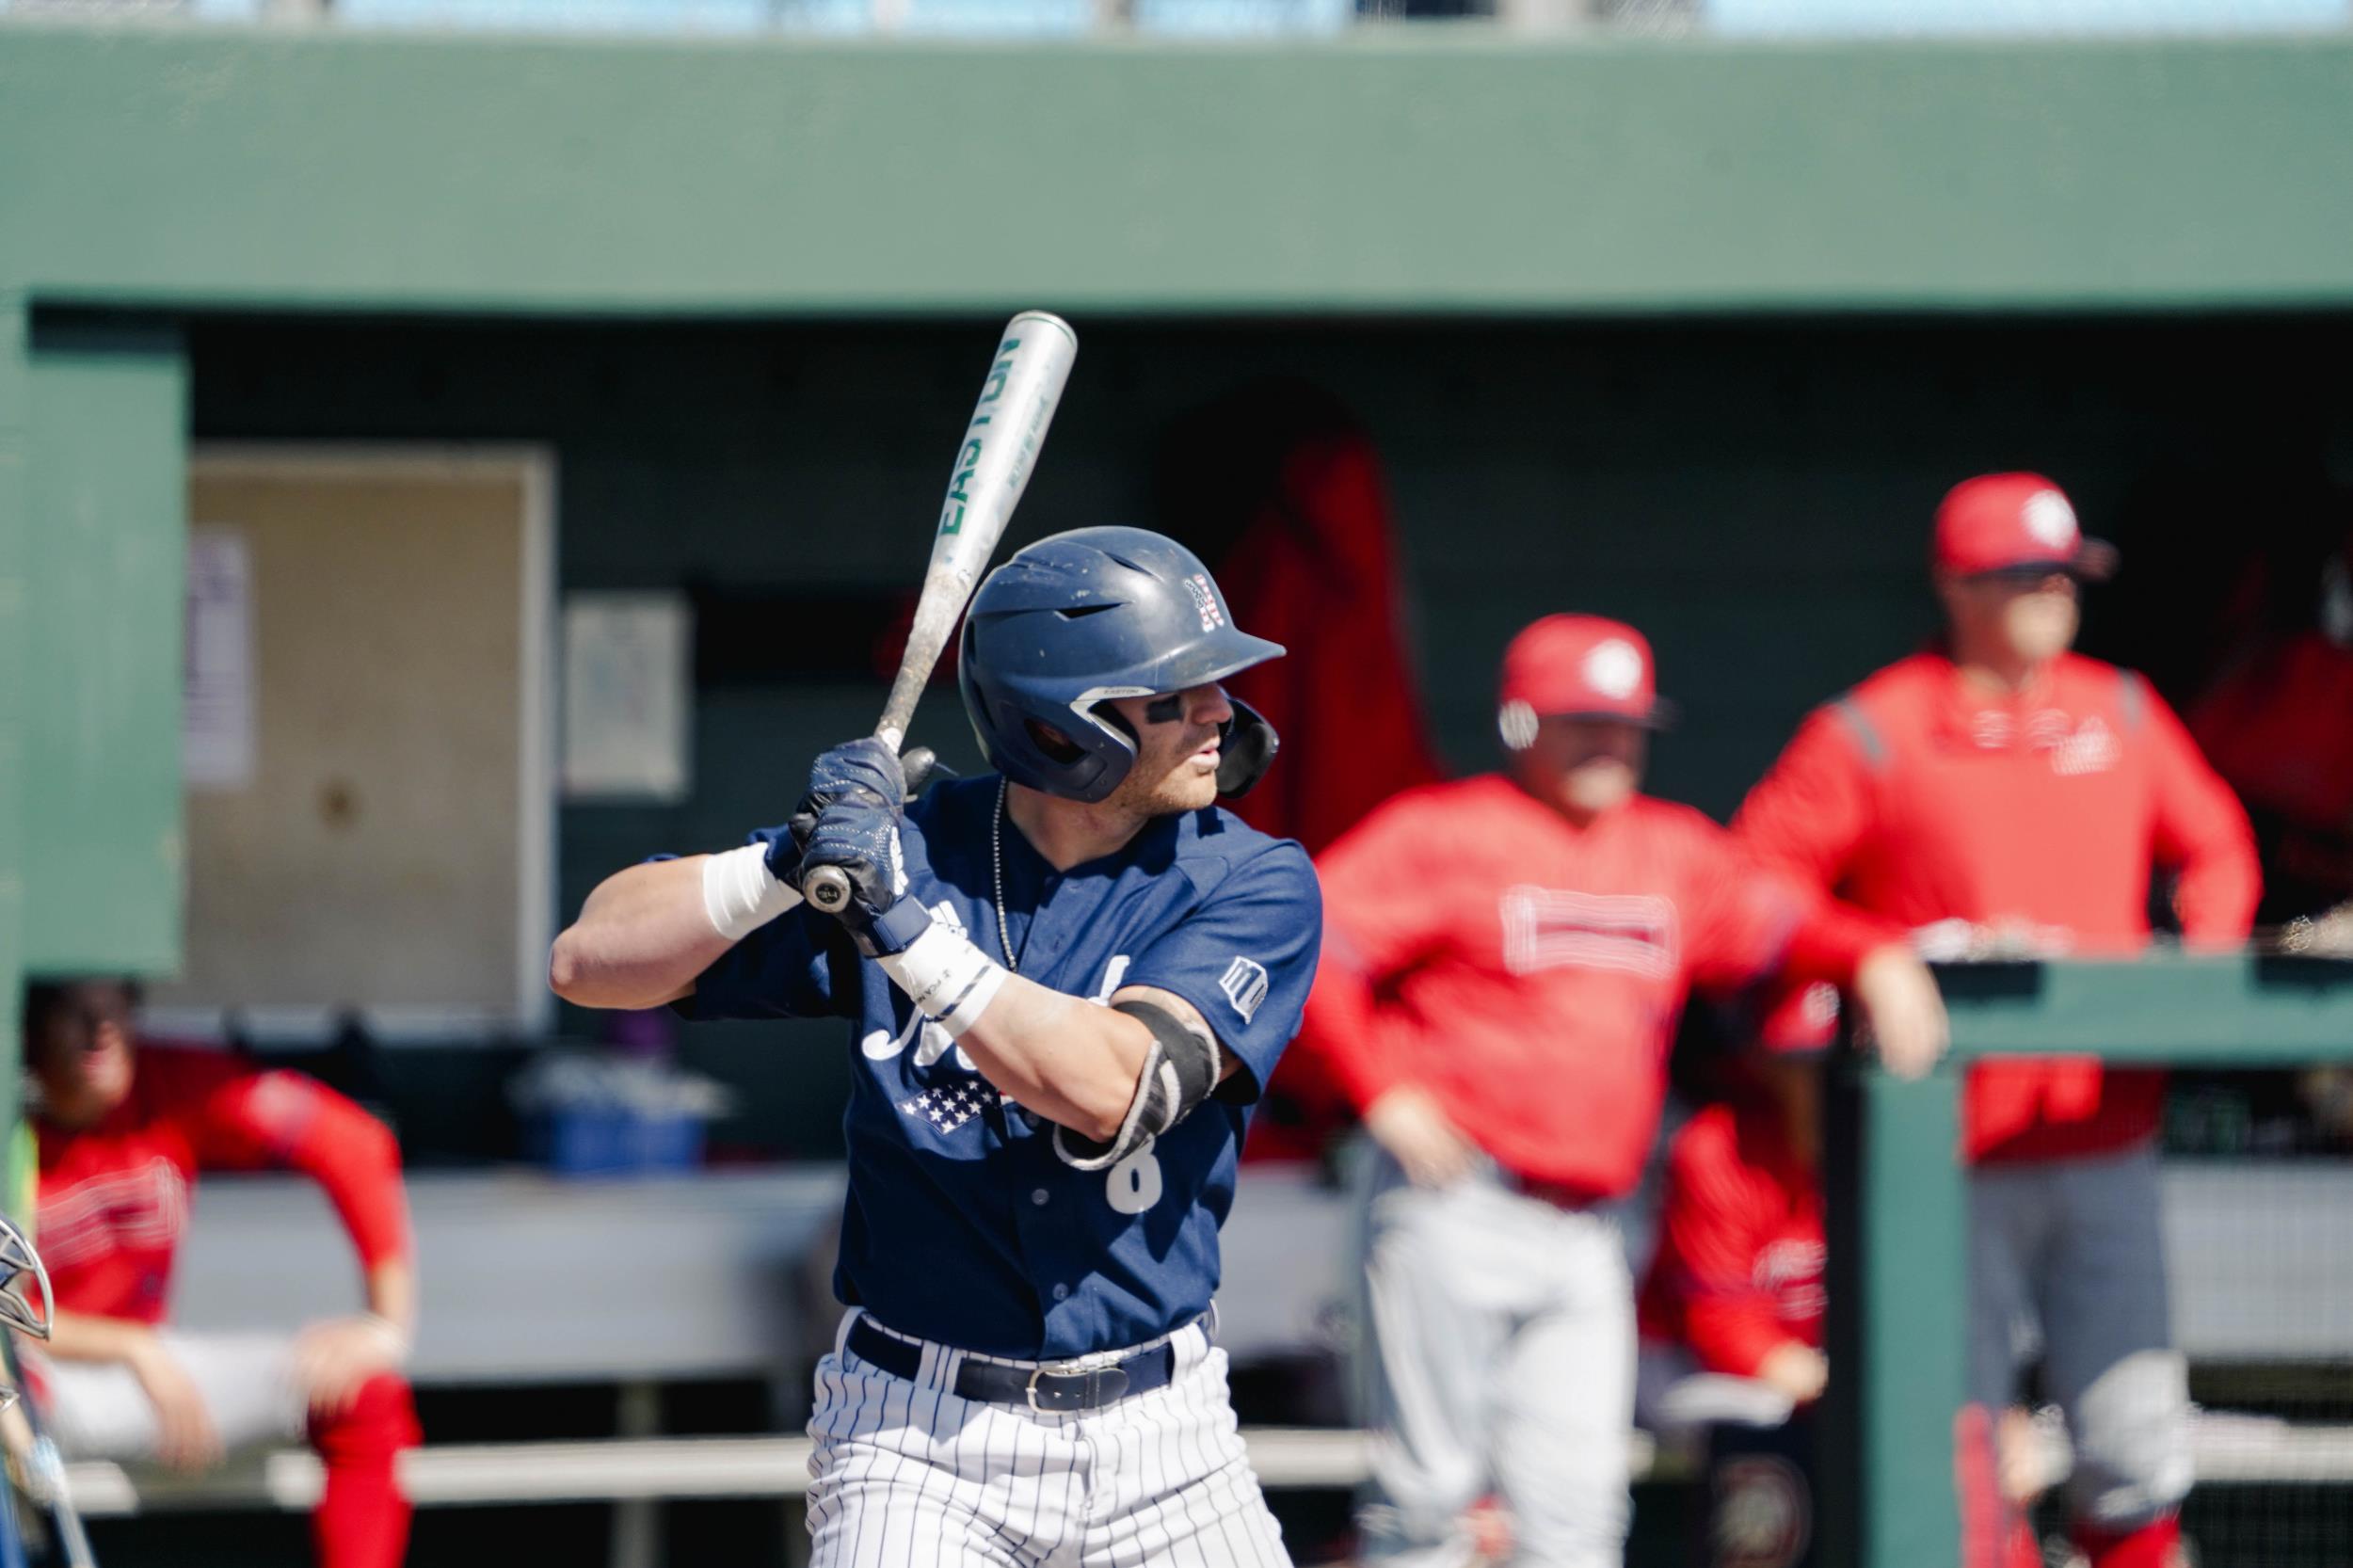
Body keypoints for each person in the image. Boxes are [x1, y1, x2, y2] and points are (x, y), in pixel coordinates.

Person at [550, 526, 1322, 1567]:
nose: (1219, 713)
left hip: (1164, 1437)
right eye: (1172, 696)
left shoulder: (1250, 878)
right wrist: (784, 863)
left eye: (1214, 686)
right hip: (915, 1436)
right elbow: (591, 957)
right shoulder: (913, 853)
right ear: (1061, 729)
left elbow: (1112, 1087)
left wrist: (903, 931)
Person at [1297, 614, 1947, 1568]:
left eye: (1626, 724)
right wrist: (1379, 1087)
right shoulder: (1446, 830)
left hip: (1591, 1226)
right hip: (1456, 1200)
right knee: (1427, 1504)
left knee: (1577, 1516)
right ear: (1521, 722)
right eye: (1582, 721)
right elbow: (1304, 946)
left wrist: (1878, 957)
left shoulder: (1670, 853)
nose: (1609, 743)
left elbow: (1784, 925)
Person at [1734, 472, 2261, 1568]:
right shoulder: (1876, 727)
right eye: (2024, 574)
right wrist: (1867, 954)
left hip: (2102, 1133)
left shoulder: (2119, 708)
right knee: (1953, 1447)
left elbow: (2216, 847)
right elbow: (1752, 884)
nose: (2051, 595)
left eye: (2064, 575)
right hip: (1946, 1155)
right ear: (1958, 584)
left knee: (2131, 1439)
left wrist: (2196, 961)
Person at [20, 977, 421, 1568]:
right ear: (29, 1024)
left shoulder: (172, 1081)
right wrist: (131, 1348)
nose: (101, 1029)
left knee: (365, 1393)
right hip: (42, 1373)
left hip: (152, 1369)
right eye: (73, 1009)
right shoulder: (12, 1115)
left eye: (117, 1007)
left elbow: (355, 1144)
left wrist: (387, 1327)